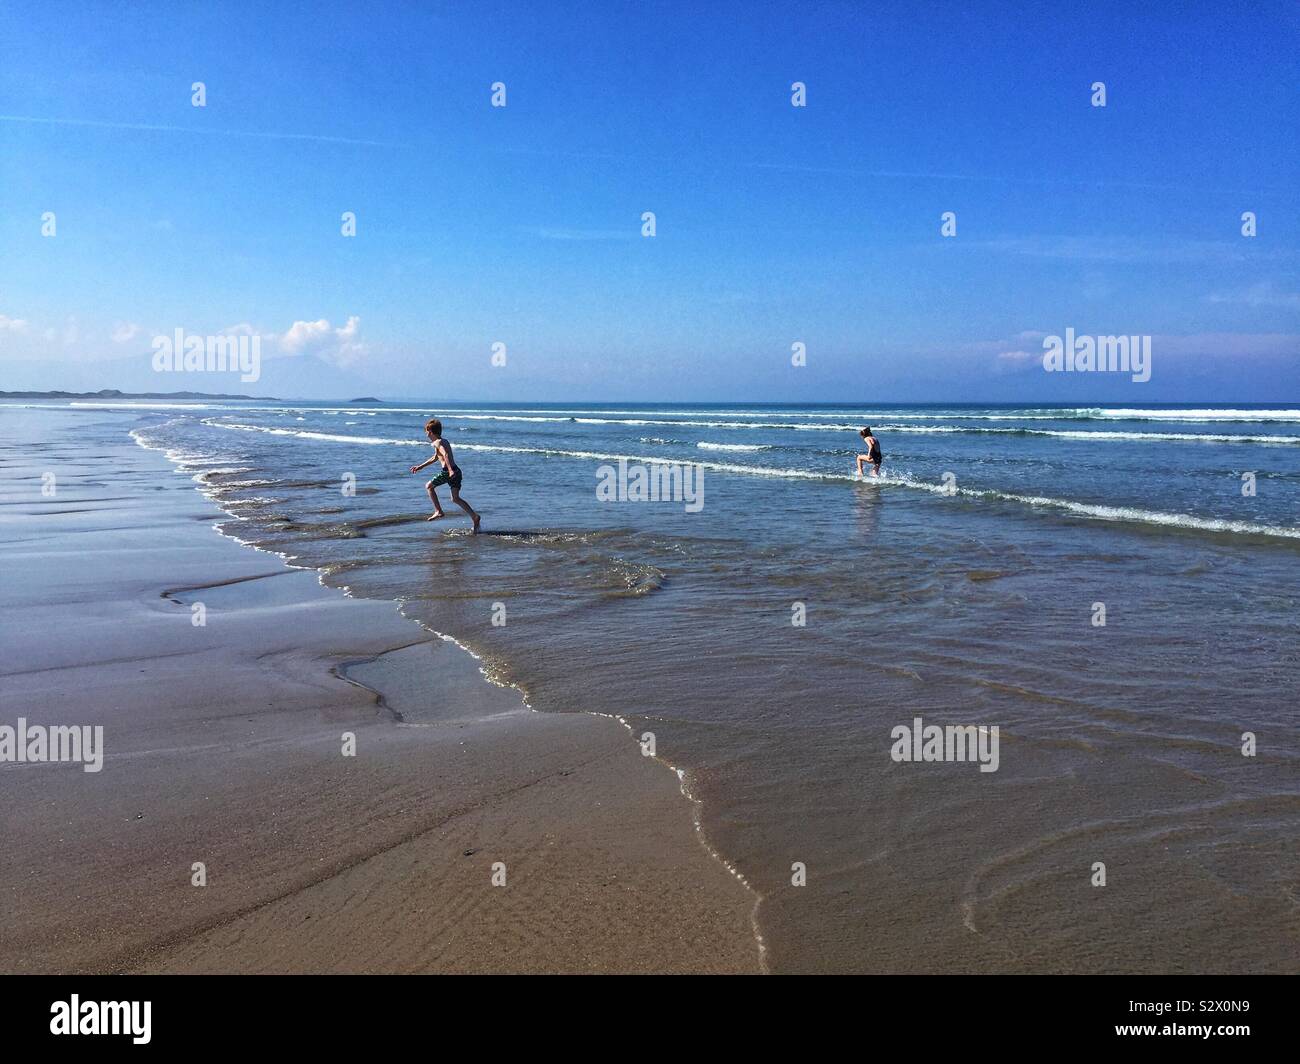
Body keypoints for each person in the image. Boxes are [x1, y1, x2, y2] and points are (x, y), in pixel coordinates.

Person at [410, 418, 481, 532]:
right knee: (455, 498)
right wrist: (420, 466)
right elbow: (436, 457)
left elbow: (445, 454)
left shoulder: (437, 442)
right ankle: (474, 516)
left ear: (430, 431)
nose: (426, 434)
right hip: (456, 471)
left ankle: (438, 511)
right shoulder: (443, 441)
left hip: (448, 471)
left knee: (429, 486)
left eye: (426, 431)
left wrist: (449, 470)